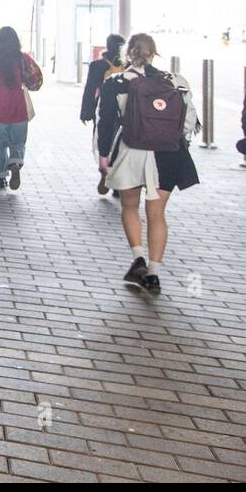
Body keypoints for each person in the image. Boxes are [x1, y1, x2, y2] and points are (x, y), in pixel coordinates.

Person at [97, 34, 199, 295]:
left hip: (133, 152)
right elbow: (189, 123)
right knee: (157, 213)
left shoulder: (116, 82)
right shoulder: (176, 81)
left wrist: (103, 155)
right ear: (154, 53)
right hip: (169, 155)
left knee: (130, 207)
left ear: (127, 54)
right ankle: (153, 273)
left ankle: (138, 258)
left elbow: (106, 123)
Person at [0, 26, 43, 190]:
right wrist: (26, 81)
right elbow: (37, 81)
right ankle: (15, 164)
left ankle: (1, 177)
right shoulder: (23, 59)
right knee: (18, 143)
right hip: (19, 111)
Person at [80, 33, 127, 195]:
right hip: (124, 113)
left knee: (103, 143)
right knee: (120, 145)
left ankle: (104, 173)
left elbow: (90, 89)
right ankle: (117, 182)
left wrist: (86, 111)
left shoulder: (98, 65)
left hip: (102, 110)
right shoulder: (127, 66)